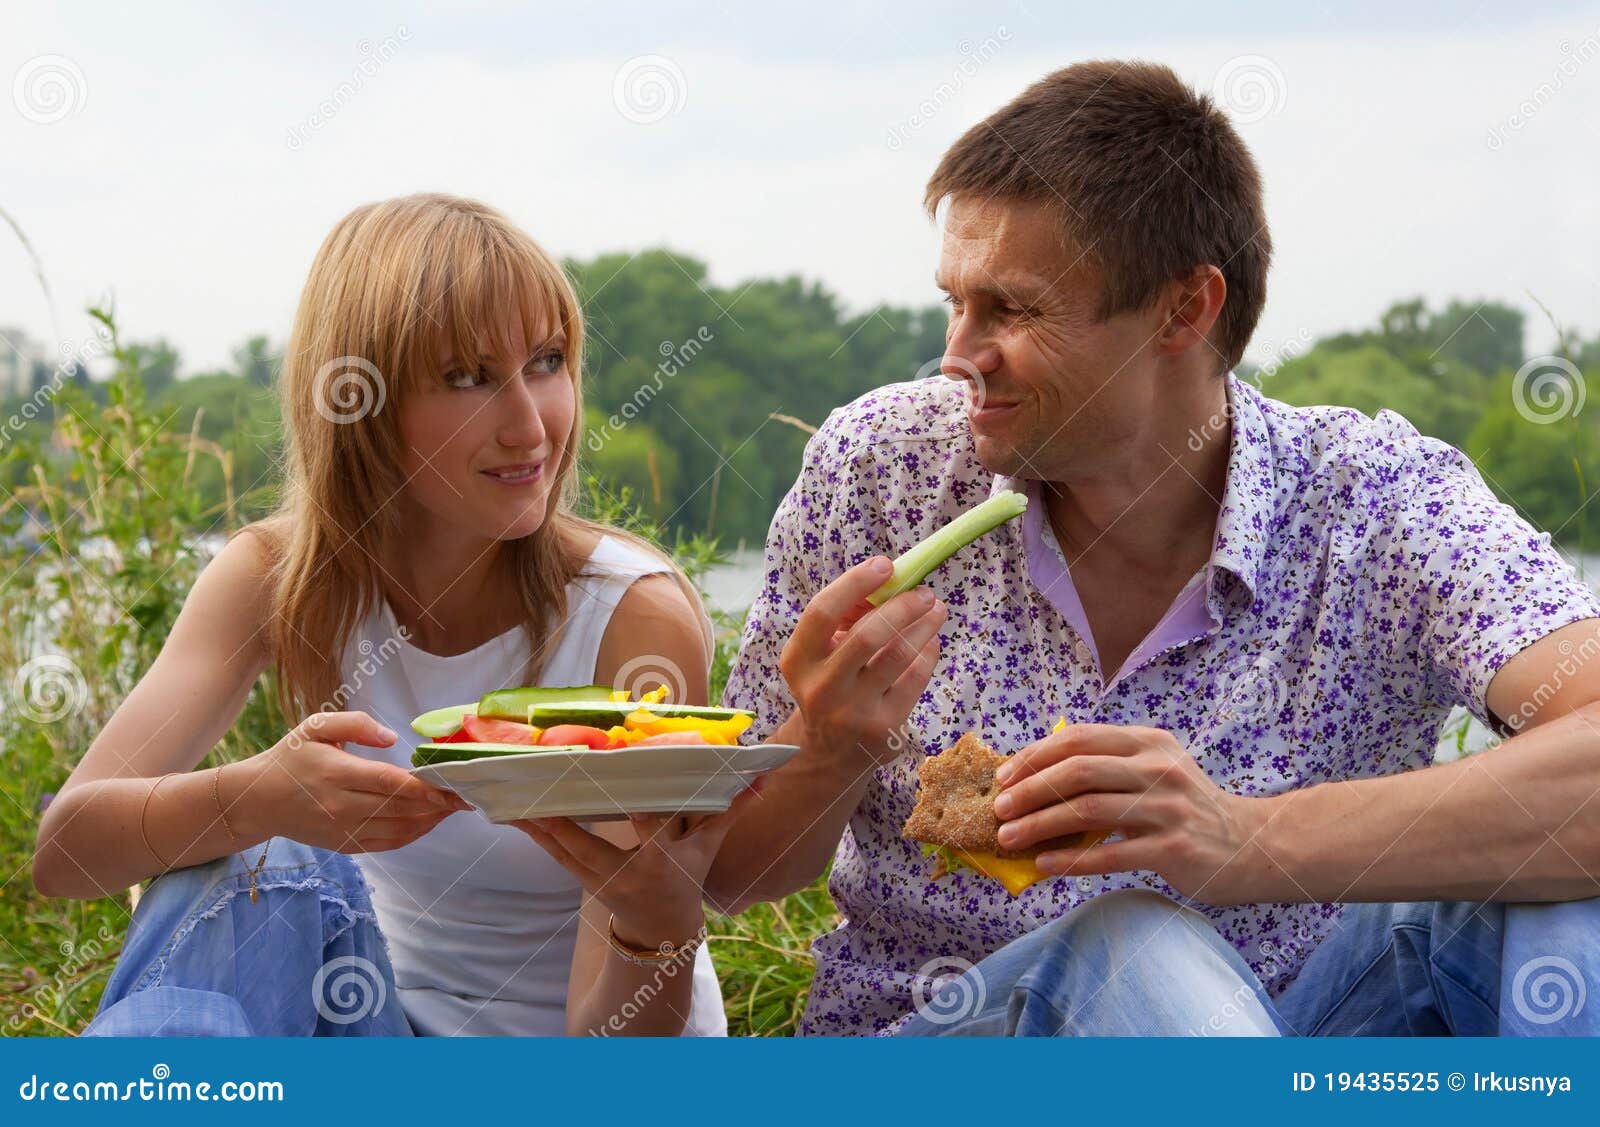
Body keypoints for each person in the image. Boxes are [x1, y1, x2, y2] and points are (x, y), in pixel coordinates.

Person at [709, 60, 1600, 1036]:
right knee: (1131, 943)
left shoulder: (1379, 499)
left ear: (1184, 309)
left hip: (1278, 1035)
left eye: (1011, 309)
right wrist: (830, 748)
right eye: (953, 301)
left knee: (1549, 893)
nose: (959, 351)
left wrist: (1244, 837)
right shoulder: (880, 468)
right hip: (941, 1046)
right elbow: (729, 870)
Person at [36, 193, 743, 1037]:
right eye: (468, 377)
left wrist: (658, 922)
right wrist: (258, 796)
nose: (531, 425)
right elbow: (68, 851)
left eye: (547, 361)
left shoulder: (631, 616)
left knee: (275, 864)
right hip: (383, 1029)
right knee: (259, 856)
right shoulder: (276, 575)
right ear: (360, 405)